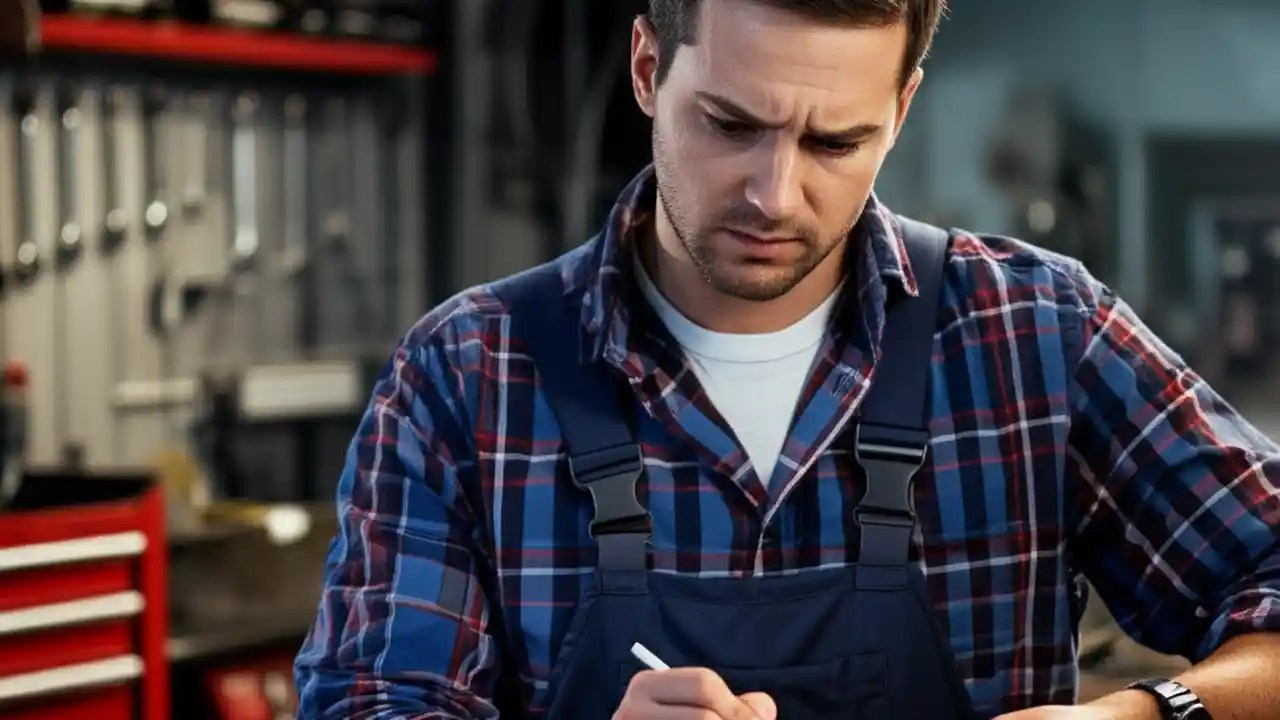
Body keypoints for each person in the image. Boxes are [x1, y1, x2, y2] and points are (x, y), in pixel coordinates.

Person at [293, 0, 1280, 718]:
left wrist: (1141, 716)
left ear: (899, 110)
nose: (774, 193)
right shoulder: (466, 377)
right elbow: (368, 702)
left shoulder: (1035, 335)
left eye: (833, 141)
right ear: (646, 67)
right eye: (731, 124)